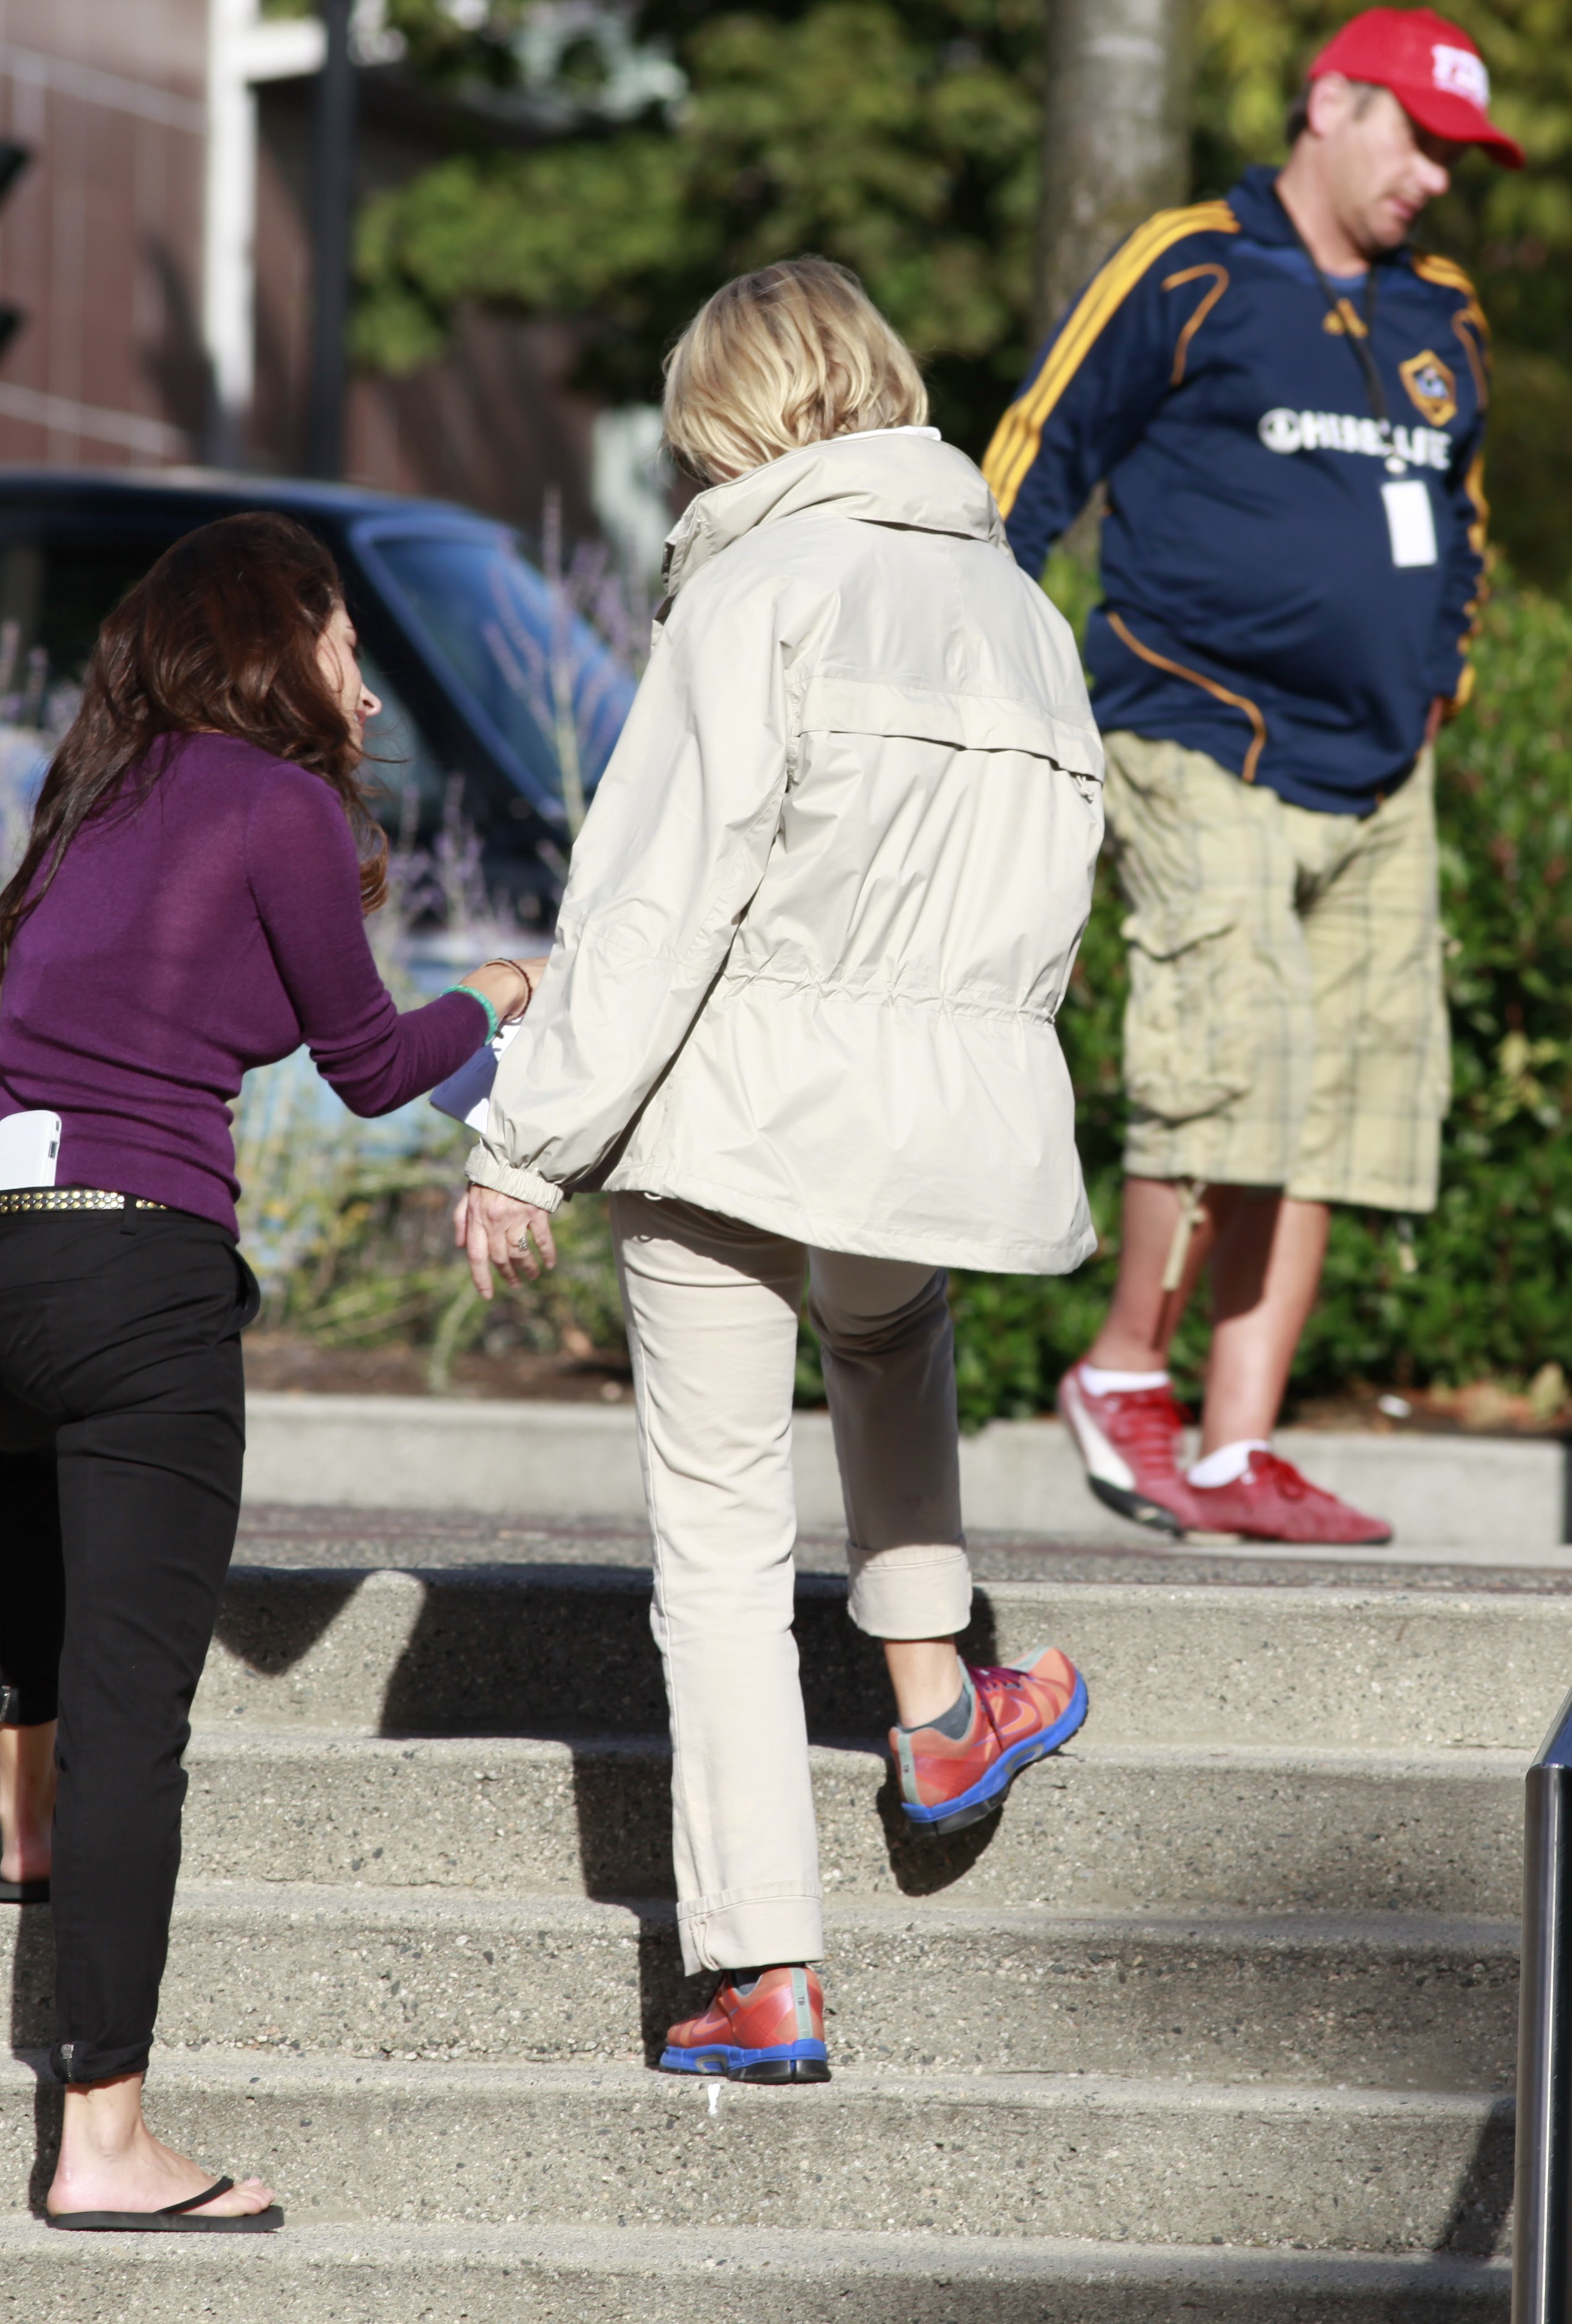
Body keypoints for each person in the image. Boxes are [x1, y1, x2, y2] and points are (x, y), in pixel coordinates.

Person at [458, 258, 1098, 2083]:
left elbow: (657, 903)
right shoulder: (1022, 616)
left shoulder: (754, 592)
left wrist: (527, 1138)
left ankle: (760, 1973)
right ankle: (936, 1695)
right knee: (891, 1345)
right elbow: (1055, 906)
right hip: (933, 1103)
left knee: (723, 1552)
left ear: (722, 422)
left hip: (734, 1104)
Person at [0, 513, 542, 2228]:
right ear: (281, 636)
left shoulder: (98, 792)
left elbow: (185, 1012)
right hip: (128, 1278)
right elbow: (372, 1062)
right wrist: (497, 988)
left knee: (18, 1427)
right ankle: (103, 2143)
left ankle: (24, 1813)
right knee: (141, 1716)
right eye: (341, 640)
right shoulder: (282, 802)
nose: (362, 677)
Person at [982, 6, 1524, 1545]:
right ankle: (1121, 1374)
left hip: (1377, 773)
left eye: (1453, 155)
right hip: (1191, 728)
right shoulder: (1188, 261)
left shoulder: (1445, 318)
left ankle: (1233, 1446)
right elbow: (1031, 467)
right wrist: (997, 677)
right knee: (1233, 1058)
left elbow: (1463, 530)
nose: (1431, 177)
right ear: (1327, 106)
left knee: (1342, 1105)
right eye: (1413, 138)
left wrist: (1440, 685)